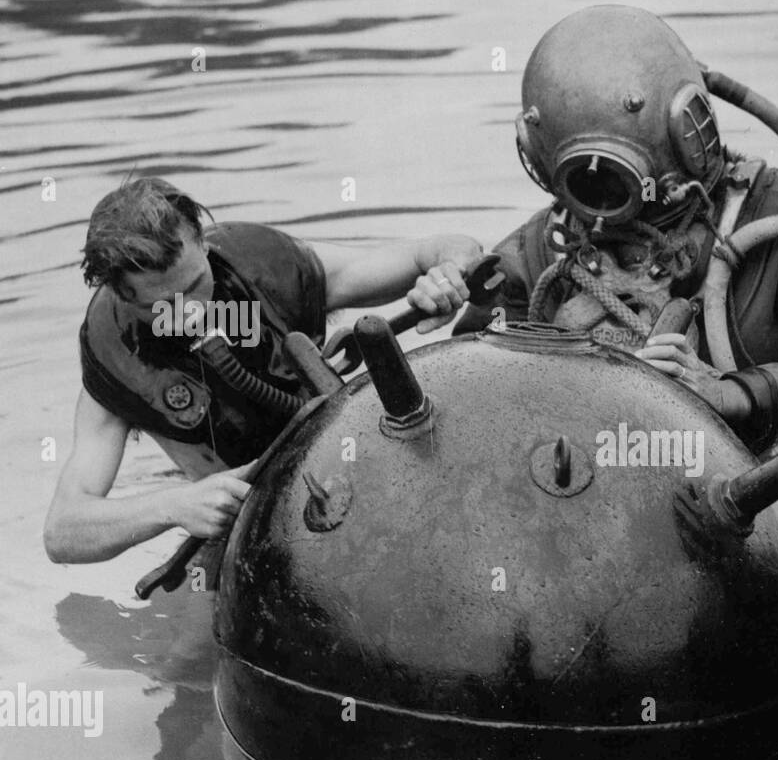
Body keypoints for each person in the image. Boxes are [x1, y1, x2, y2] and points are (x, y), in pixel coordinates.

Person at [453, 5, 778, 502]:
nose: (605, 203)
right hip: (581, 494)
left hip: (745, 495)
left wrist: (734, 394)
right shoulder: (542, 248)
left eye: (611, 176)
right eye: (587, 180)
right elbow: (474, 377)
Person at [45, 176, 481, 564]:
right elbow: (63, 530)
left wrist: (446, 278)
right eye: (164, 306)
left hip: (354, 459)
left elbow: (444, 249)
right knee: (188, 650)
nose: (191, 312)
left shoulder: (265, 268)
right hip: (247, 517)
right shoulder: (114, 355)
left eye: (197, 285)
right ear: (122, 294)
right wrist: (176, 506)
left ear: (202, 242)